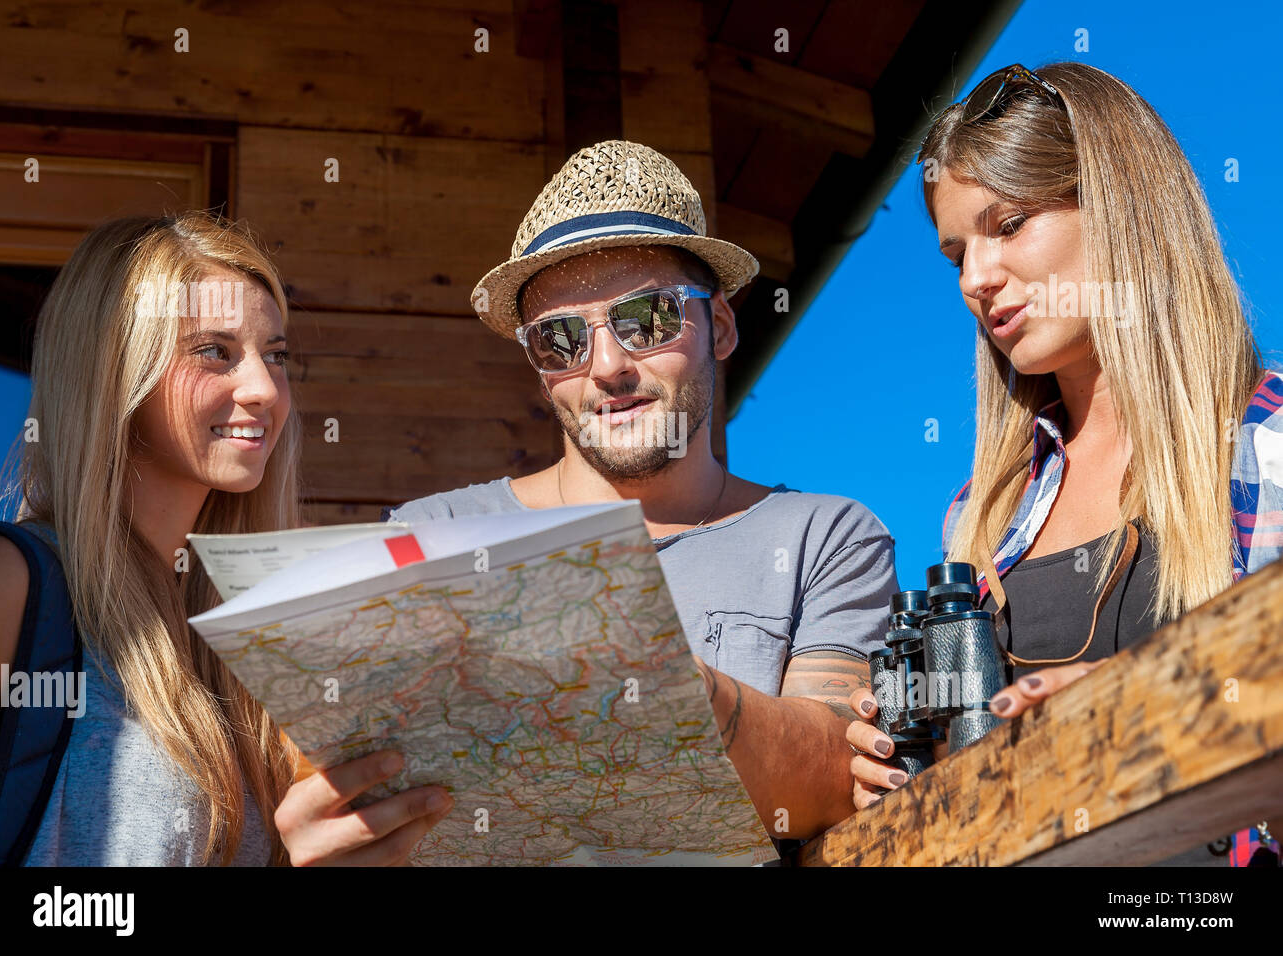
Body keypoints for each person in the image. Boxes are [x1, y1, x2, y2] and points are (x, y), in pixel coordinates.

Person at [387, 140, 900, 841]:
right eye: (559, 339)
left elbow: (831, 780)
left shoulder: (824, 538)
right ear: (538, 366)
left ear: (719, 326)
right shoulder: (432, 532)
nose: (606, 366)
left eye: (648, 319)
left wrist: (630, 665)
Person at [841, 62, 1283, 865]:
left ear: (1120, 209)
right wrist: (908, 773)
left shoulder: (1269, 442)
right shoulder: (982, 510)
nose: (977, 278)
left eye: (1008, 224)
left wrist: (1149, 712)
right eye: (955, 255)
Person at [0, 213, 453, 865]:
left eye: (277, 355)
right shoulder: (8, 585)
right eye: (215, 351)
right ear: (115, 370)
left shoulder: (262, 616)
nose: (265, 390)